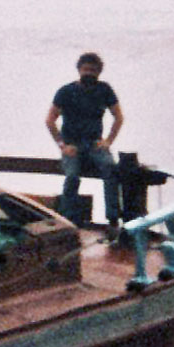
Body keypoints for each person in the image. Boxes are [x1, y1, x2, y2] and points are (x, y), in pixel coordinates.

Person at [45, 52, 124, 230]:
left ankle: (113, 219)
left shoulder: (105, 90)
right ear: (79, 70)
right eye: (86, 69)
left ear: (99, 72)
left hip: (95, 143)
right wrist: (62, 145)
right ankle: (67, 221)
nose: (89, 73)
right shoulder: (66, 91)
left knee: (110, 169)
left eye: (94, 70)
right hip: (72, 144)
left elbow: (118, 116)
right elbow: (50, 120)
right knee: (72, 176)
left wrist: (108, 141)